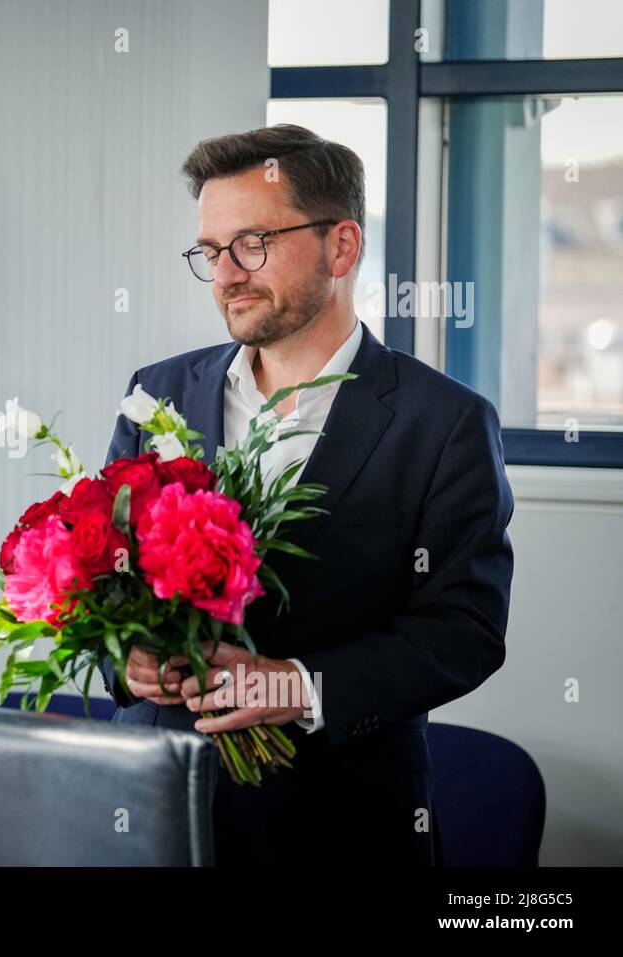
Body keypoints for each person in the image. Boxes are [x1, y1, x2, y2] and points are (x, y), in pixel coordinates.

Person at [101, 124, 514, 866]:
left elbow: (465, 630)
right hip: (155, 811)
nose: (226, 274)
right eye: (210, 251)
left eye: (252, 243)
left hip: (340, 824)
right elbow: (108, 578)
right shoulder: (157, 391)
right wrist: (125, 657)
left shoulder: (445, 422)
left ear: (341, 247)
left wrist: (298, 685)